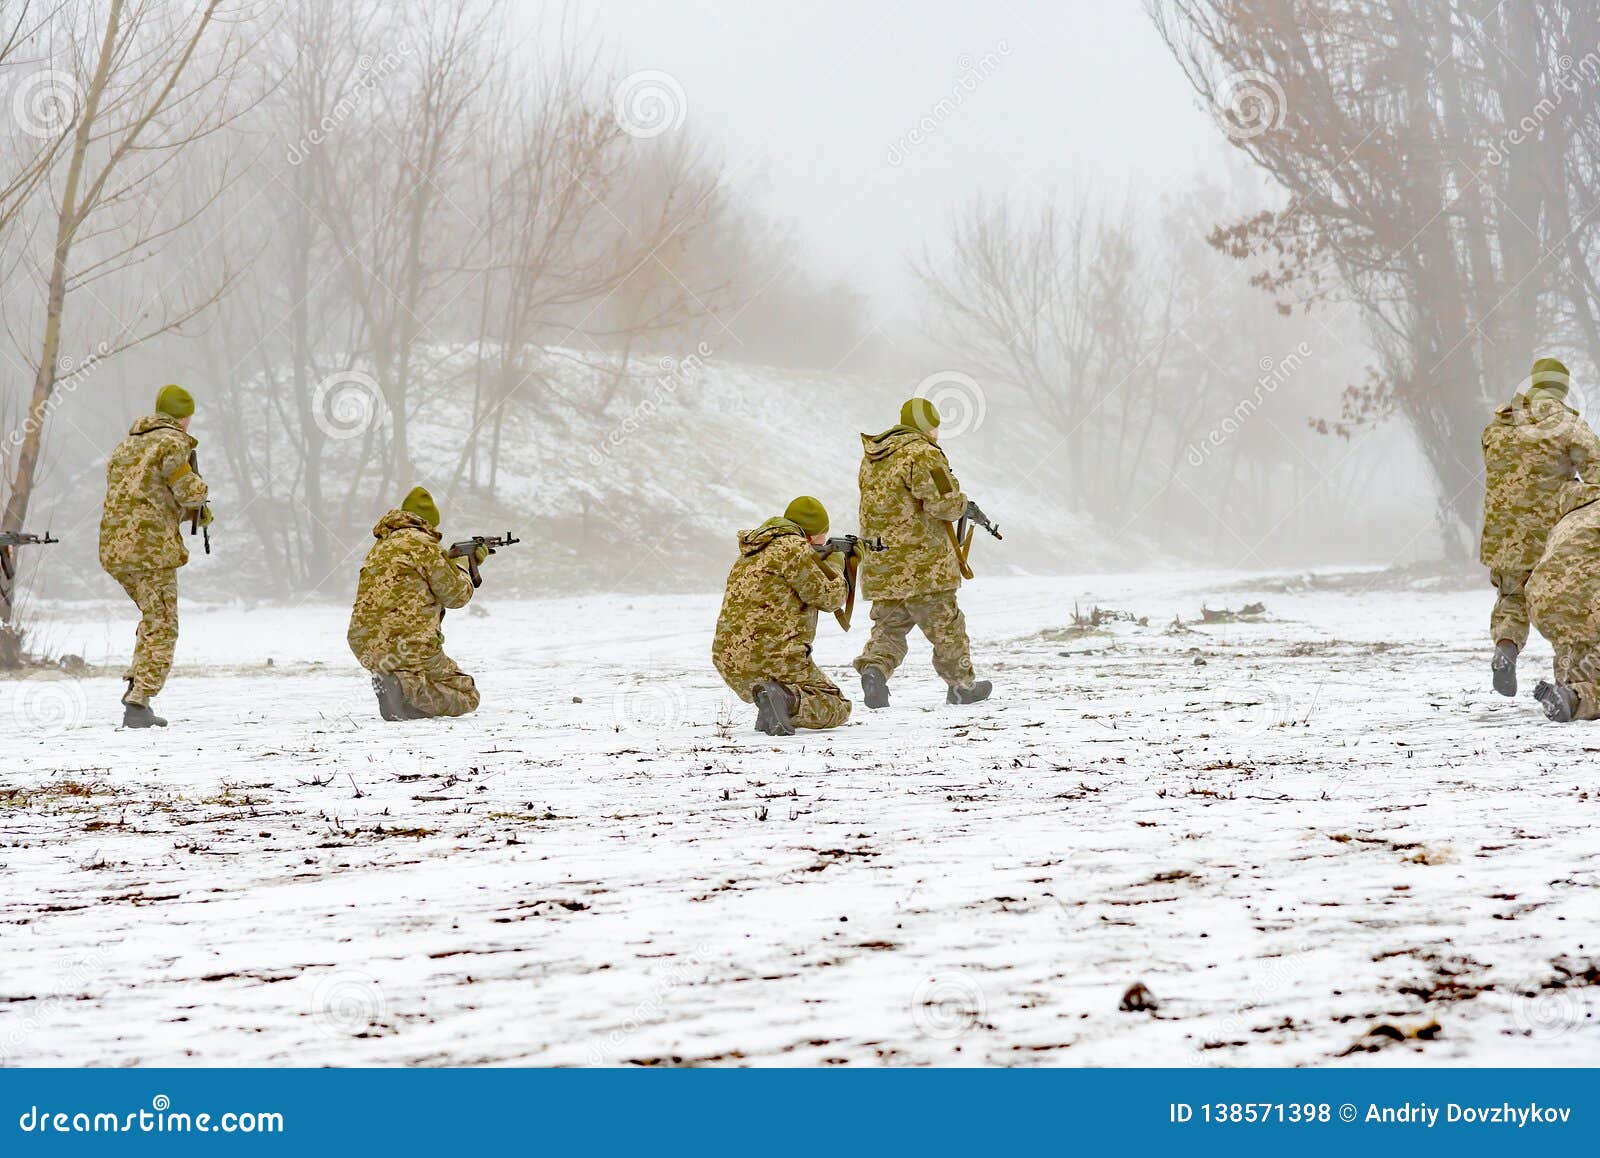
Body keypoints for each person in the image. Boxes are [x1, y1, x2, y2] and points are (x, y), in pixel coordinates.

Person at [852, 397, 991, 707]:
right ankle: (962, 686)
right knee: (947, 626)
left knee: (889, 627)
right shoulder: (924, 454)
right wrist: (962, 504)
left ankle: (874, 671)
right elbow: (943, 503)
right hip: (922, 566)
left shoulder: (874, 457)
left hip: (881, 563)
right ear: (928, 425)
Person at [1480, 357, 1600, 696]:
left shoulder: (1499, 425)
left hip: (1503, 534)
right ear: (1562, 388)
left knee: (1511, 598)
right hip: (1554, 536)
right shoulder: (1567, 424)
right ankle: (1567, 688)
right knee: (1564, 604)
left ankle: (1506, 648)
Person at [98, 384, 211, 728]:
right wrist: (202, 497)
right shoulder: (173, 442)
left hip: (115, 548)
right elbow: (188, 490)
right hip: (150, 551)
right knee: (162, 623)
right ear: (185, 415)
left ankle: (137, 693)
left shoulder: (127, 444)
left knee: (152, 616)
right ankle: (139, 700)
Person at [712, 496, 852, 735]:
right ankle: (784, 699)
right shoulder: (794, 549)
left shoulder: (753, 551)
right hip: (774, 658)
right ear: (810, 536)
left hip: (730, 662)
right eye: (822, 536)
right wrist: (838, 563)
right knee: (836, 705)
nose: (823, 541)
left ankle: (772, 703)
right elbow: (830, 598)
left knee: (786, 676)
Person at [347, 486, 485, 720]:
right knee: (468, 694)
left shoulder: (380, 547)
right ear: (429, 521)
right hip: (410, 646)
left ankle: (397, 686)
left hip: (366, 648)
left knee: (421, 676)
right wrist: (464, 564)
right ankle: (404, 691)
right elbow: (457, 596)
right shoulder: (424, 545)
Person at [1527, 480, 1600, 721]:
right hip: (1588, 597)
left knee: (1578, 666)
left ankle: (1567, 693)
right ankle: (1576, 697)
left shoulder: (1570, 519)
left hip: (1544, 602)